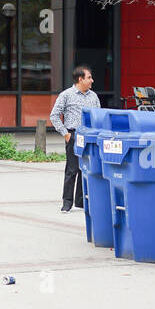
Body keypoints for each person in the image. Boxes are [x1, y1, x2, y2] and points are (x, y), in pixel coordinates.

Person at [49, 66, 101, 213]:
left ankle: (81, 201)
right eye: (89, 77)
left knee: (85, 169)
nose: (92, 80)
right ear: (80, 79)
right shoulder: (66, 95)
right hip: (73, 135)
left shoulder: (93, 96)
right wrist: (65, 134)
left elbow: (98, 116)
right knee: (72, 170)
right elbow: (54, 115)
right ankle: (67, 202)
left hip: (89, 137)